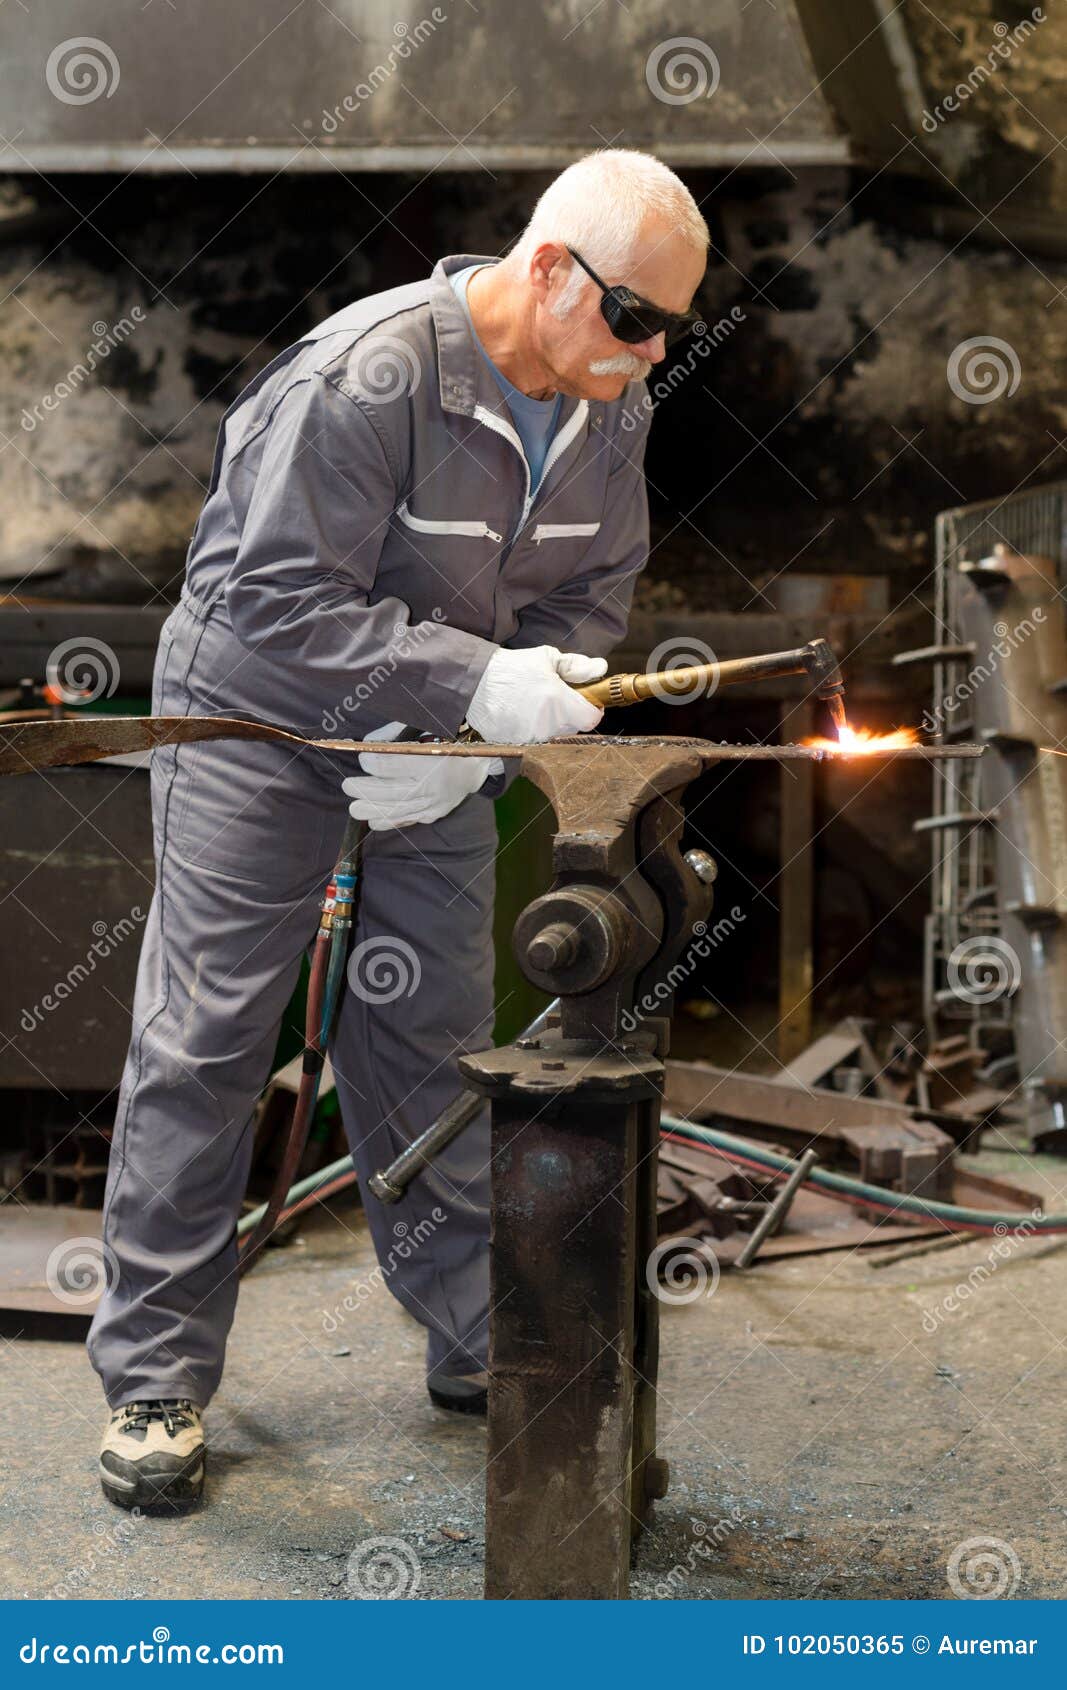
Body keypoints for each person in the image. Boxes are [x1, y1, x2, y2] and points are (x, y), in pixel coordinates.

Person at [90, 148, 709, 1511]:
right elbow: (274, 603)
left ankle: (472, 1329)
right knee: (210, 1032)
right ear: (549, 269)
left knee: (429, 1029)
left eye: (670, 324)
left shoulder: (613, 404)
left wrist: (477, 750)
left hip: (432, 744)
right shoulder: (365, 376)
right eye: (633, 316)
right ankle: (153, 1374)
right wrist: (471, 686)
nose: (653, 349)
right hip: (258, 726)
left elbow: (589, 604)